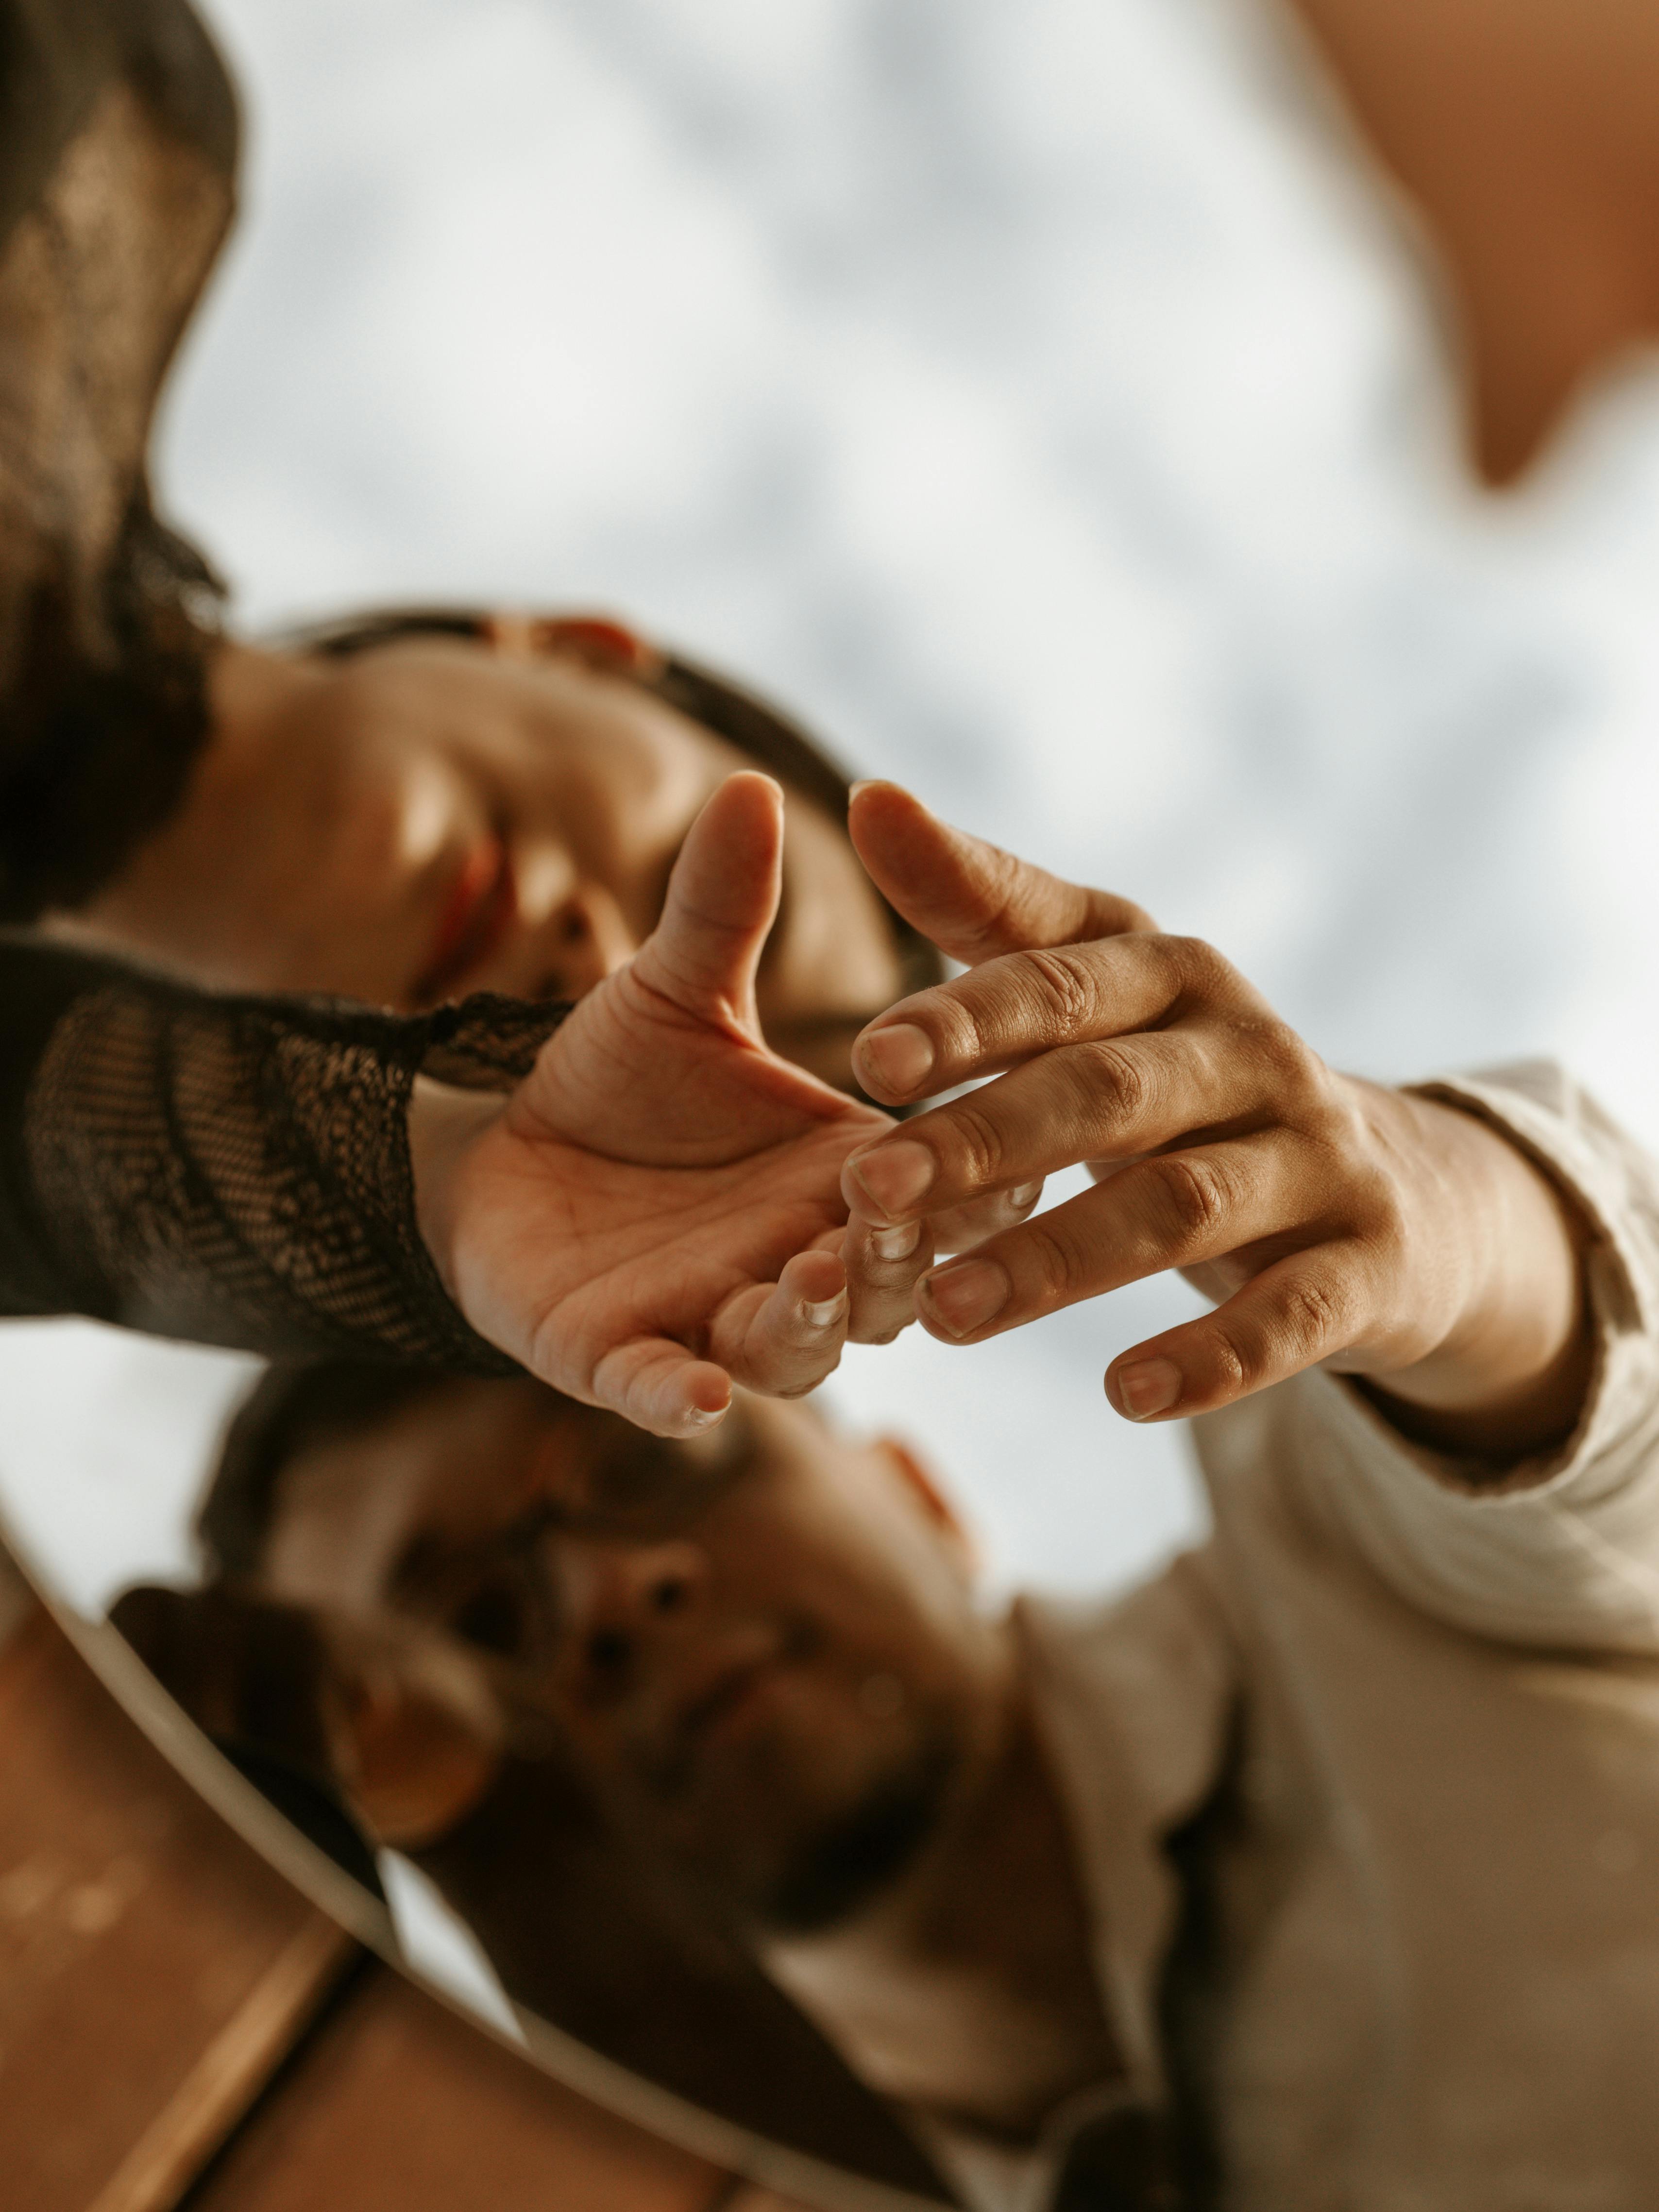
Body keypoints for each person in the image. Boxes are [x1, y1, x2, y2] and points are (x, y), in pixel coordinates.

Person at [126, 801, 1659, 2210]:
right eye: (474, 1623)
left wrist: (1431, 1210)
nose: (613, 1594)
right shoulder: (627, 2153)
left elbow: (1579, 1390)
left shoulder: (1371, 1572)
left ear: (916, 1488)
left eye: (649, 1457)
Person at [0, 4, 952, 1434]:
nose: (601, 972)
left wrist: (436, 1188)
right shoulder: (122, 138)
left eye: (628, 1064)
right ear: (576, 651)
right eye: (702, 896)